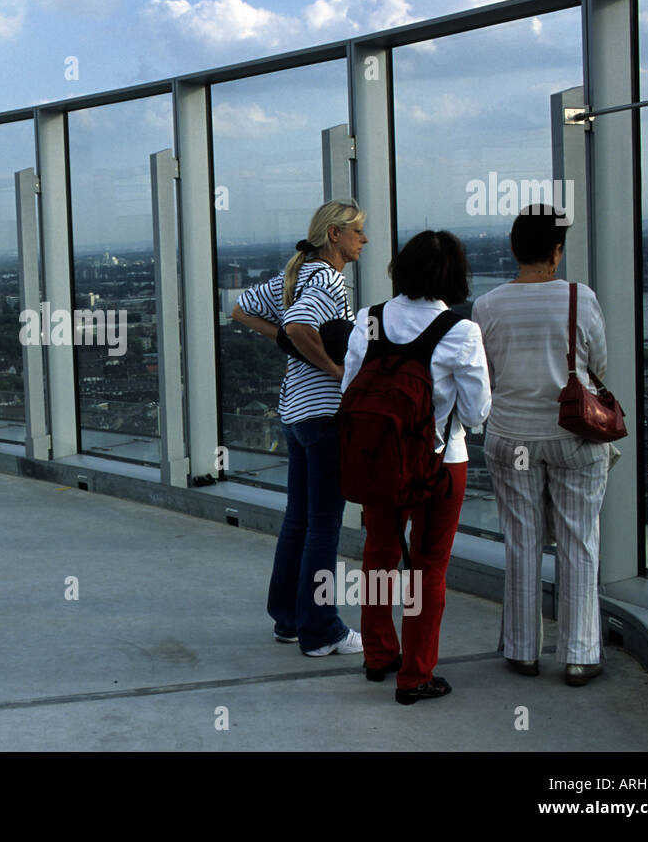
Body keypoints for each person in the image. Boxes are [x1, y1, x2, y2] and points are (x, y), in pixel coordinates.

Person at [340, 230, 491, 704]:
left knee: (378, 555)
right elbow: (476, 415)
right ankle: (416, 674)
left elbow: (350, 389)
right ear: (455, 276)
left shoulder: (369, 319)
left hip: (378, 461)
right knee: (429, 569)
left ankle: (379, 654)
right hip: (440, 466)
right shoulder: (461, 331)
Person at [471, 204, 610, 687]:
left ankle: (522, 650)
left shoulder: (486, 305)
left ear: (513, 250)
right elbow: (600, 366)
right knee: (579, 541)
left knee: (522, 539)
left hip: (512, 437)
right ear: (557, 251)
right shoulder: (580, 297)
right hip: (574, 435)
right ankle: (579, 654)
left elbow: (484, 376)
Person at [232, 199, 368, 657]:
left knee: (299, 520)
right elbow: (298, 323)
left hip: (294, 414)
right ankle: (320, 630)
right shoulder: (328, 279)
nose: (363, 240)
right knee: (324, 526)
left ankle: (287, 618)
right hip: (324, 416)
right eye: (358, 232)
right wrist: (335, 370)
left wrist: (286, 342)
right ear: (334, 234)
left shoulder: (299, 273)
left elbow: (242, 309)